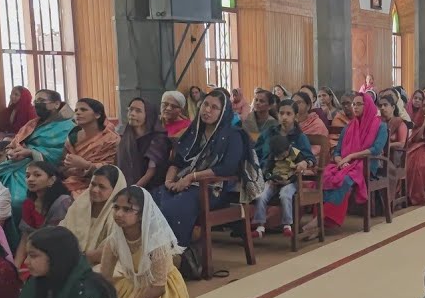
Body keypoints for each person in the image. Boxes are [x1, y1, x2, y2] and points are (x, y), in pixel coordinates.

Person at [154, 88, 256, 248]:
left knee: (176, 205)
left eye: (214, 107)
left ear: (223, 112)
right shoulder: (194, 132)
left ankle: (176, 252)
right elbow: (177, 161)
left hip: (212, 188)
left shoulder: (233, 135)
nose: (207, 110)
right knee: (153, 199)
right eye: (205, 105)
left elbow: (227, 168)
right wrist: (168, 180)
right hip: (182, 184)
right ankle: (153, 251)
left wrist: (191, 177)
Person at [100, 186, 191, 298]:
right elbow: (104, 278)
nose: (119, 214)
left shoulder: (156, 242)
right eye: (116, 207)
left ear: (142, 215)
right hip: (131, 285)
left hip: (160, 293)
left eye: (127, 209)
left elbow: (158, 288)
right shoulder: (114, 240)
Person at [311, 92, 388, 232]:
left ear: (368, 106)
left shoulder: (380, 126)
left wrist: (351, 156)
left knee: (345, 179)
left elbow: (376, 149)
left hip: (367, 163)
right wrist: (341, 161)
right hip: (346, 163)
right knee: (325, 177)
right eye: (354, 104)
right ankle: (321, 220)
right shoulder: (348, 127)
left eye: (359, 104)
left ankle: (321, 221)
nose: (355, 107)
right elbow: (338, 152)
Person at [0, 89, 74, 219]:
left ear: (56, 104)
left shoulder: (67, 126)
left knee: (17, 201)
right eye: (35, 101)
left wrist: (31, 153)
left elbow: (61, 154)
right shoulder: (32, 123)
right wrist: (11, 151)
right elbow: (14, 143)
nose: (37, 104)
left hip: (41, 170)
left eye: (42, 101)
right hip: (14, 165)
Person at [251, 131, 311, 239]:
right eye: (278, 155)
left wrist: (288, 181)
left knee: (285, 195)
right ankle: (260, 226)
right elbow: (267, 171)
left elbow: (299, 172)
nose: (281, 157)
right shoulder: (273, 156)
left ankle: (287, 224)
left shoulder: (296, 154)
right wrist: (271, 178)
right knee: (261, 195)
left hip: (291, 181)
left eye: (283, 154)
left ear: (288, 148)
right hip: (275, 181)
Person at [14, 161, 73, 270]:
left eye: (37, 175)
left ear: (52, 180)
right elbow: (25, 237)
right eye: (27, 176)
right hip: (34, 252)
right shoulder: (29, 203)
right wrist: (16, 267)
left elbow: (57, 240)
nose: (30, 179)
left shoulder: (63, 202)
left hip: (56, 255)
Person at [62, 165, 126, 265]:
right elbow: (62, 231)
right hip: (70, 258)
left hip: (102, 264)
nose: (95, 190)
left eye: (102, 187)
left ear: (115, 190)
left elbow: (111, 251)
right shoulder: (80, 204)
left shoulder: (119, 214)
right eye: (93, 184)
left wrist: (82, 258)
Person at [60, 98, 121, 196]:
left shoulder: (111, 139)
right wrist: (70, 169)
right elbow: (62, 166)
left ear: (97, 114)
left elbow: (113, 169)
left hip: (101, 185)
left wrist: (86, 165)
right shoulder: (72, 137)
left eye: (83, 110)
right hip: (71, 182)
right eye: (76, 110)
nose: (78, 113)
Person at [117, 97, 170, 189]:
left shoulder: (158, 139)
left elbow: (151, 172)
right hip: (123, 186)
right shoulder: (126, 138)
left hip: (148, 189)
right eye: (130, 109)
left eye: (138, 111)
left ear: (148, 115)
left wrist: (132, 190)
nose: (132, 114)